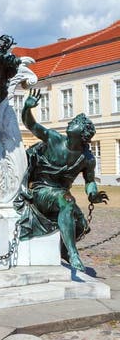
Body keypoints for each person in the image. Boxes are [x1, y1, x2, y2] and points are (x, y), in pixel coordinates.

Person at [14, 89, 108, 271]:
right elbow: (31, 125)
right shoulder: (54, 139)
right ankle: (73, 255)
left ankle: (64, 250)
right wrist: (27, 107)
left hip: (60, 193)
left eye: (77, 123)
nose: (72, 122)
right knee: (67, 202)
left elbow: (89, 181)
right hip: (42, 189)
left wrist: (93, 194)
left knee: (80, 224)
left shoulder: (87, 158)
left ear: (82, 134)